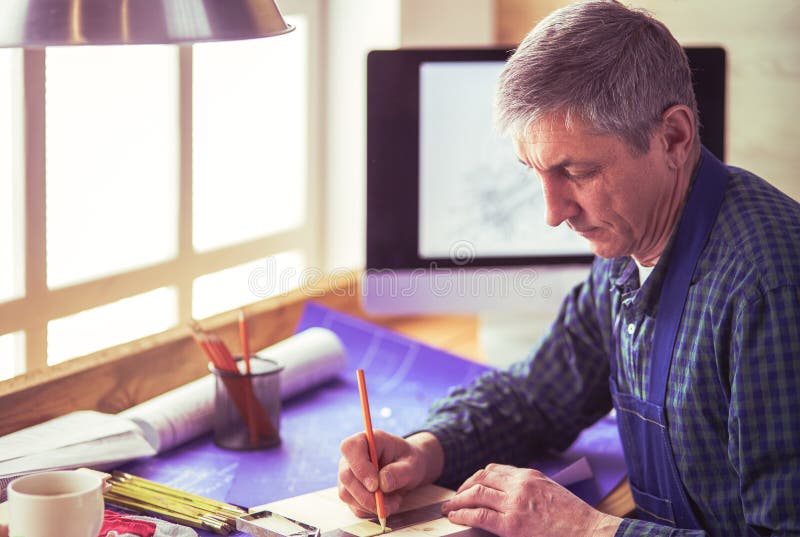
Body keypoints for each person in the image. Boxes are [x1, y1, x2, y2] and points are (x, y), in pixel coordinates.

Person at [338, 1, 800, 535]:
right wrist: (426, 449)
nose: (553, 214)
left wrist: (587, 529)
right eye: (536, 172)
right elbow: (537, 395)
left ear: (673, 137)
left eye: (577, 172)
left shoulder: (769, 291)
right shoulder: (630, 243)